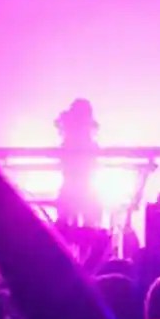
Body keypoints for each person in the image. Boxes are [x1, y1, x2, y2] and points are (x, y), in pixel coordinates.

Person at [55, 98, 101, 228]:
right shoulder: (84, 139)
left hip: (74, 186)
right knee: (89, 216)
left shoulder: (69, 135)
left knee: (68, 216)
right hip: (81, 187)